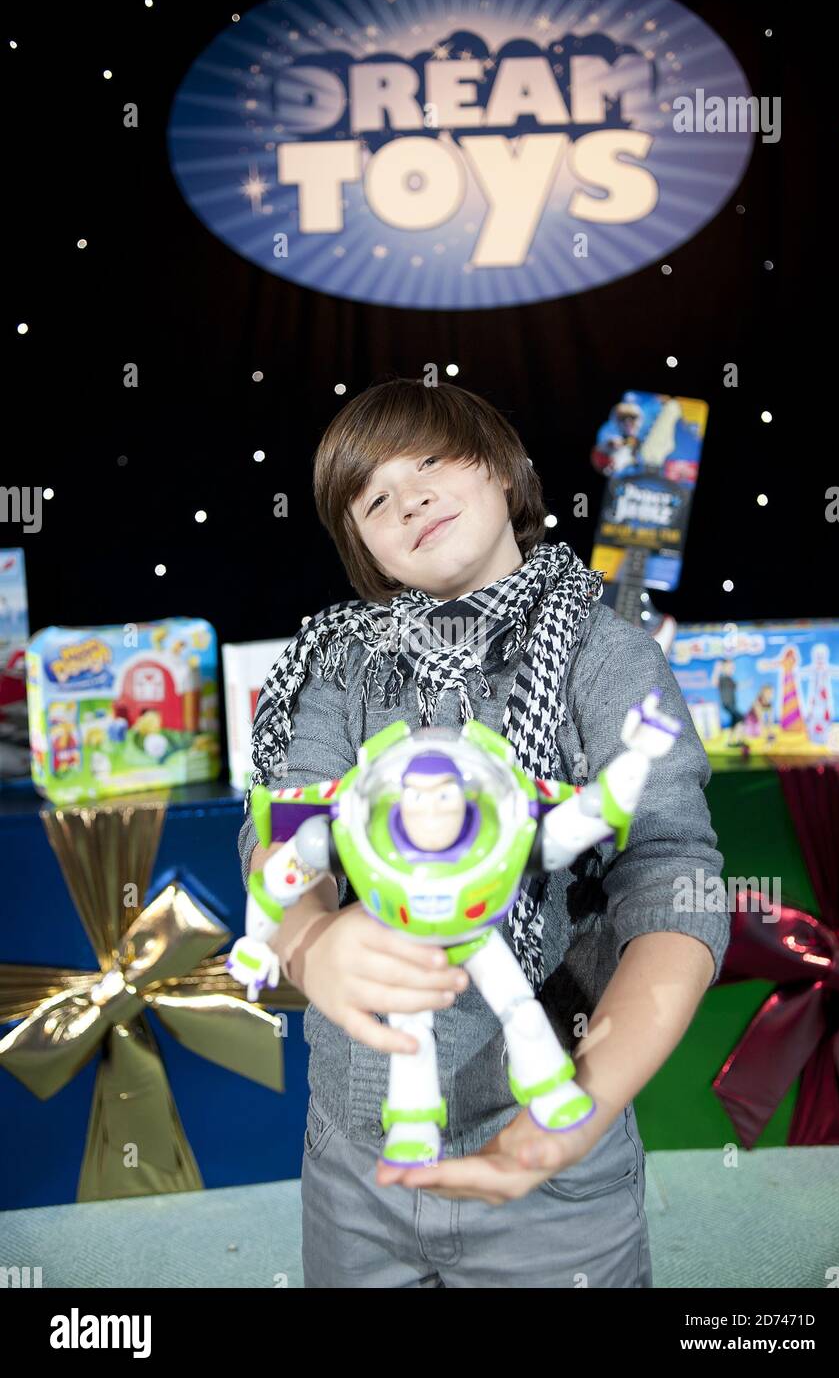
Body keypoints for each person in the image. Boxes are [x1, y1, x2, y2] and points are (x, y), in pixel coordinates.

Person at [237, 376, 729, 1288]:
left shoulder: (605, 650)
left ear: (506, 473)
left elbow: (672, 873)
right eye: (373, 498)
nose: (409, 494)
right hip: (358, 1158)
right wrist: (306, 940)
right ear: (367, 553)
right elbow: (288, 821)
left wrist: (589, 1098)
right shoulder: (341, 666)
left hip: (553, 1150)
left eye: (429, 461)